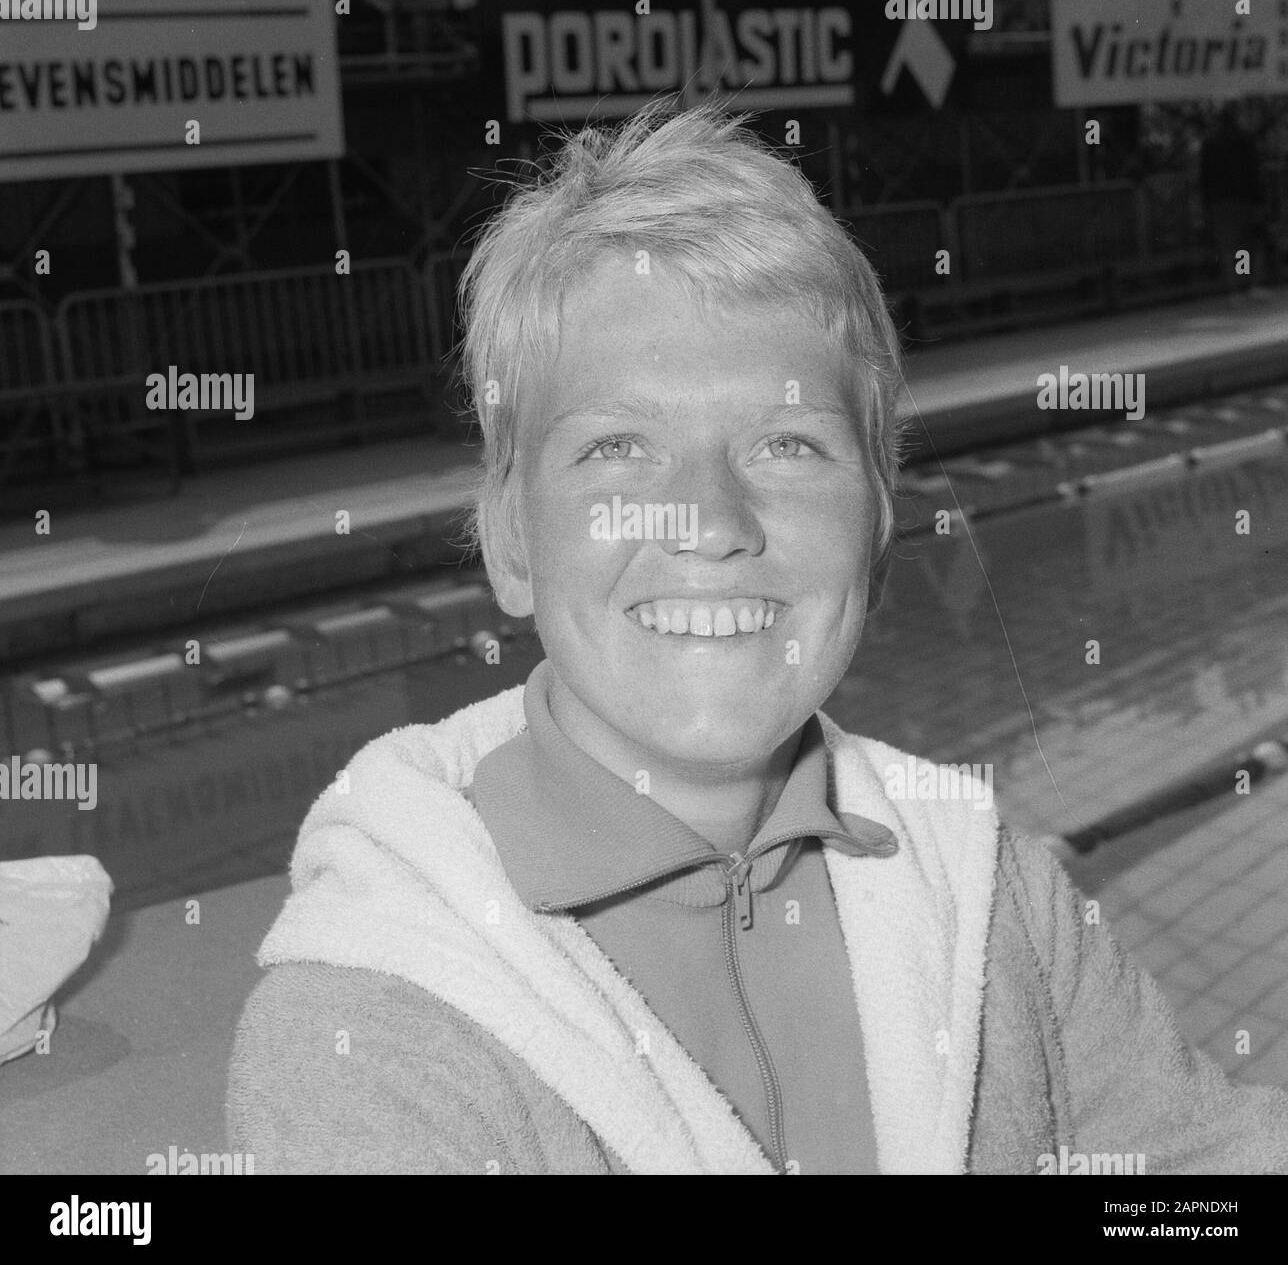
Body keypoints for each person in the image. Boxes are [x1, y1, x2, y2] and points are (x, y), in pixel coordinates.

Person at [227, 102, 1288, 1174]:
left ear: (876, 523)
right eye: (619, 447)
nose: (711, 522)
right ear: (509, 538)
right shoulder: (375, 1032)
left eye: (787, 443)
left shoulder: (994, 894)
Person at [1200, 101, 1267, 299]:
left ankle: (1234, 288)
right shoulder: (1246, 140)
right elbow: (1254, 172)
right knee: (1245, 246)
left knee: (1230, 246)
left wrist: (1206, 203)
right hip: (1245, 199)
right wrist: (1259, 200)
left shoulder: (1210, 142)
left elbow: (1204, 176)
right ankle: (1247, 284)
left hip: (1220, 201)